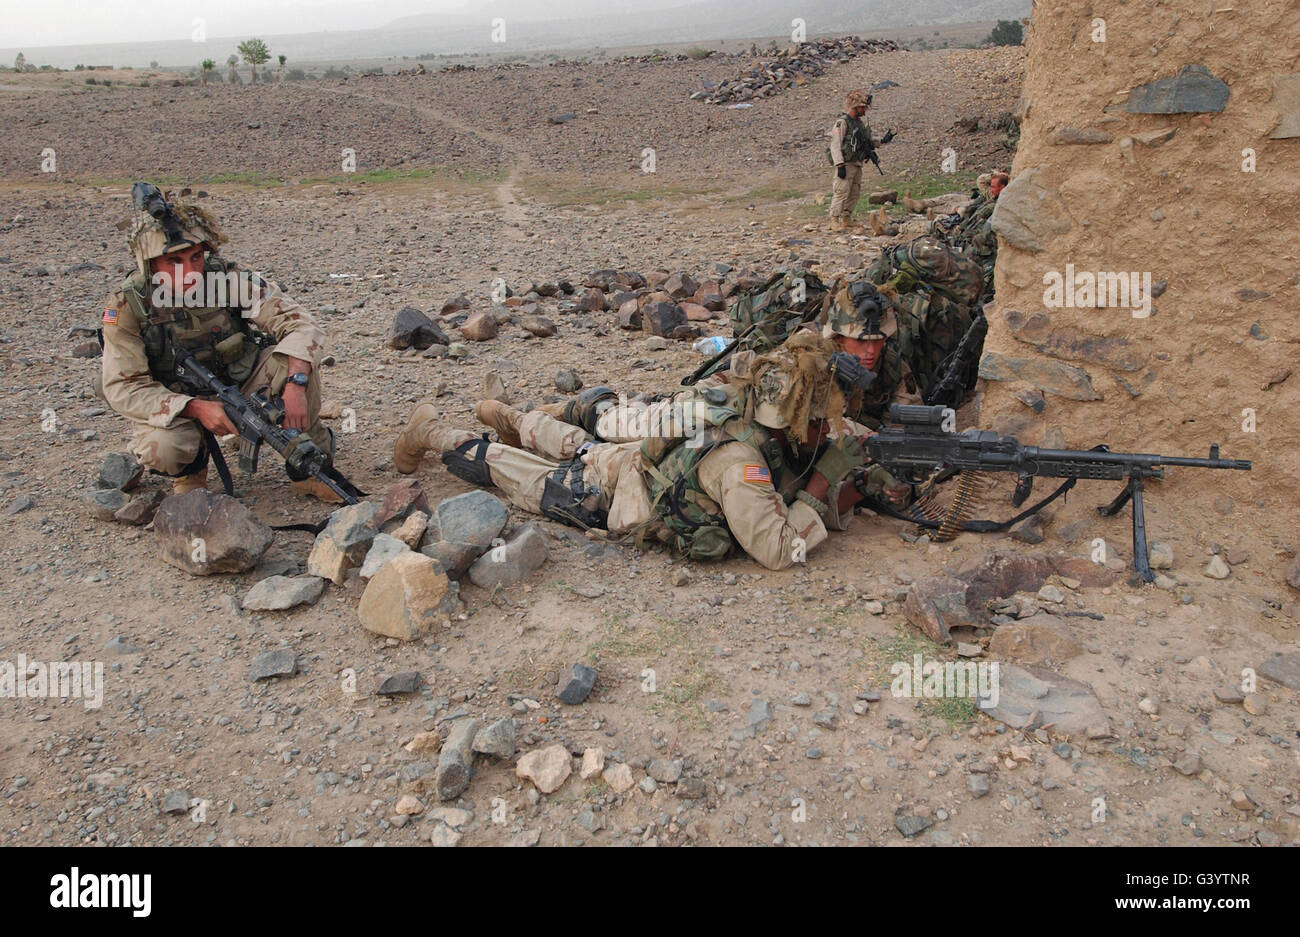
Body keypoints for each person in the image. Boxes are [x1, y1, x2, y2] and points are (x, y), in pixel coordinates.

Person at [394, 333, 910, 570]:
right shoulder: (741, 467)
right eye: (820, 422)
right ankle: (433, 431)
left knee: (579, 445)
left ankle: (507, 415)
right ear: (796, 423)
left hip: (640, 458)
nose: (828, 430)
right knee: (512, 470)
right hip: (610, 495)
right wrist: (823, 489)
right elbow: (777, 550)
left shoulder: (750, 404)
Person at [98, 186, 339, 500]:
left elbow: (299, 323)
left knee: (296, 362)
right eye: (175, 262)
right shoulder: (128, 308)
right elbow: (123, 387)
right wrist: (196, 408)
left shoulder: (225, 280)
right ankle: (191, 472)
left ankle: (308, 462)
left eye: (195, 257)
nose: (190, 272)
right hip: (177, 400)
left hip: (238, 381)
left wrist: (295, 382)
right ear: (151, 264)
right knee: (164, 449)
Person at [828, 90, 894, 233]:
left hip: (856, 163)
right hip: (846, 163)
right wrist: (839, 164)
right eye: (862, 107)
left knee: (854, 192)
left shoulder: (858, 124)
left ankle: (846, 218)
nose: (864, 110)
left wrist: (882, 141)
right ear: (854, 107)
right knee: (841, 191)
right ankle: (834, 220)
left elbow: (867, 142)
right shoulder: (842, 123)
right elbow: (835, 145)